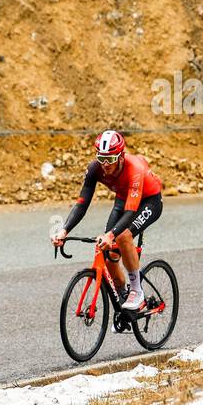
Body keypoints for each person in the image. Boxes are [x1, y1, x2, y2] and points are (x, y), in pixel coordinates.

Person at [51, 130, 164, 311]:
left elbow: (130, 211)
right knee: (108, 252)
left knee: (122, 237)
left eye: (110, 159)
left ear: (120, 157)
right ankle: (123, 299)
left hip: (148, 201)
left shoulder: (134, 168)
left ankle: (137, 291)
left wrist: (111, 234)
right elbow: (82, 204)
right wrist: (64, 230)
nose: (105, 164)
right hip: (123, 198)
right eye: (101, 158)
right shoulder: (95, 168)